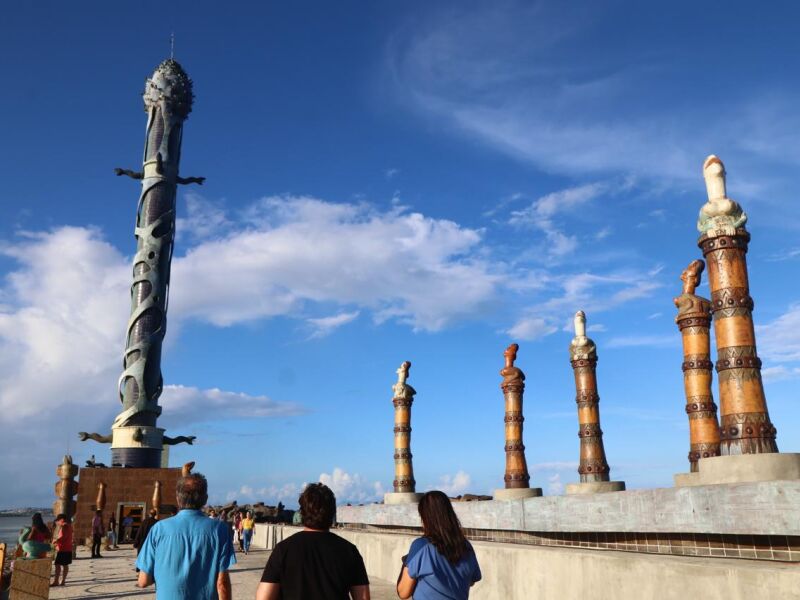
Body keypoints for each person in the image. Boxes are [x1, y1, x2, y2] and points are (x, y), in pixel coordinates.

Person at [256, 483, 370, 600]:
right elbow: (363, 597)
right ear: (332, 513)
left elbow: (263, 597)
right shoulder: (349, 551)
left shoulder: (283, 550)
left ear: (302, 513)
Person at [136, 472, 236, 600]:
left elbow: (143, 581)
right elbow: (222, 584)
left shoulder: (158, 529)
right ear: (205, 499)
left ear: (178, 498)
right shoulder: (220, 530)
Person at [396, 491, 481, 600]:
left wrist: (407, 562)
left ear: (426, 518)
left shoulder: (421, 546)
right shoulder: (466, 545)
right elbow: (471, 581)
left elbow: (403, 593)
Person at [51, 514, 73, 587]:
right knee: (65, 565)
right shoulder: (69, 526)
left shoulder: (64, 526)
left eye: (58, 520)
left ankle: (56, 581)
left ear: (61, 520)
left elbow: (63, 537)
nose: (57, 522)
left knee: (57, 565)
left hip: (62, 548)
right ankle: (63, 581)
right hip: (68, 548)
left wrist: (55, 541)